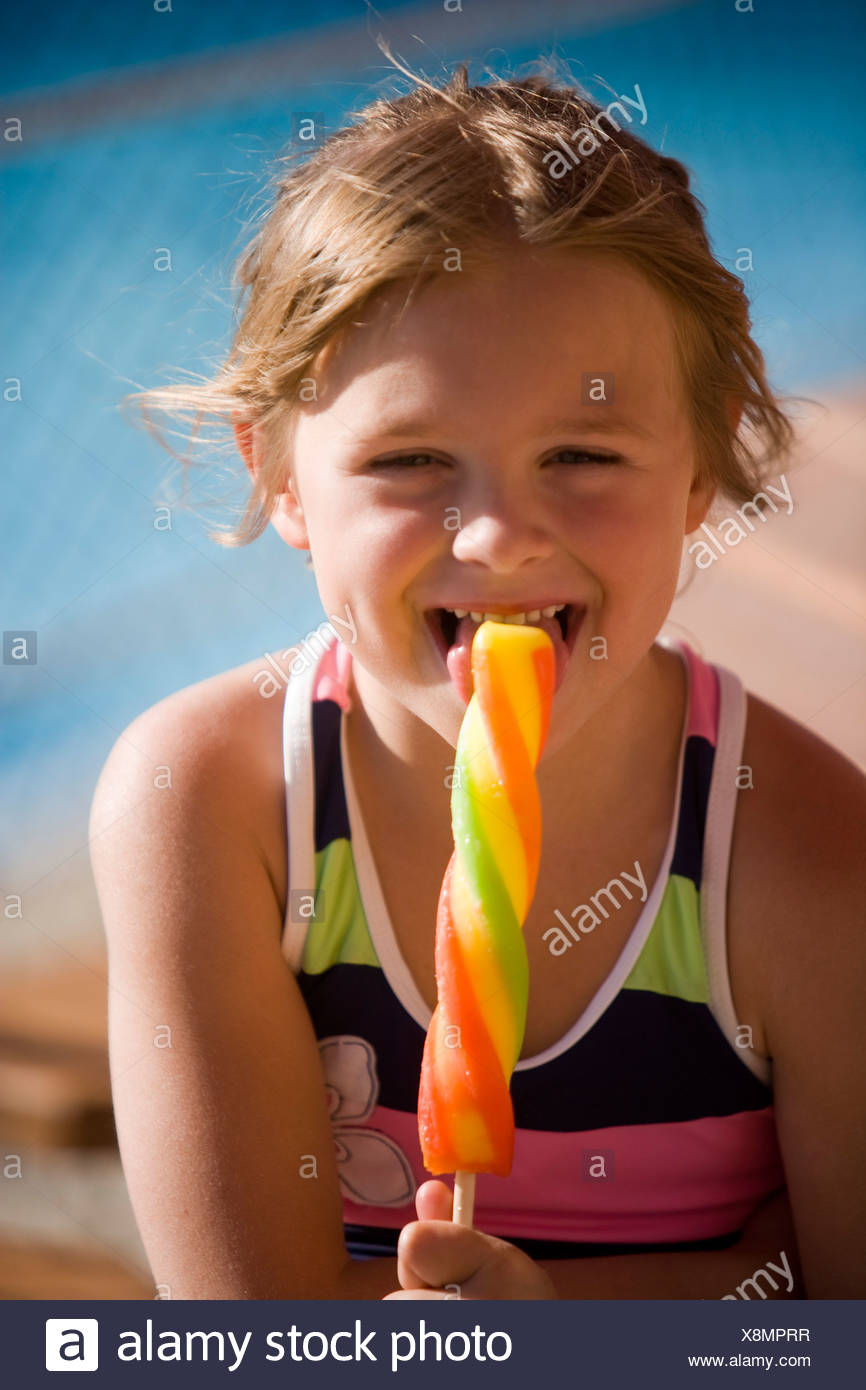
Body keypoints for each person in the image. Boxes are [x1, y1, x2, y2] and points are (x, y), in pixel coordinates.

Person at [90, 59, 866, 1300]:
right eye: (409, 458)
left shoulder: (801, 850)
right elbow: (244, 1340)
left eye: (580, 451)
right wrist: (709, 1273)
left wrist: (557, 1327)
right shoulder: (213, 805)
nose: (497, 535)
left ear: (697, 469)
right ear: (281, 476)